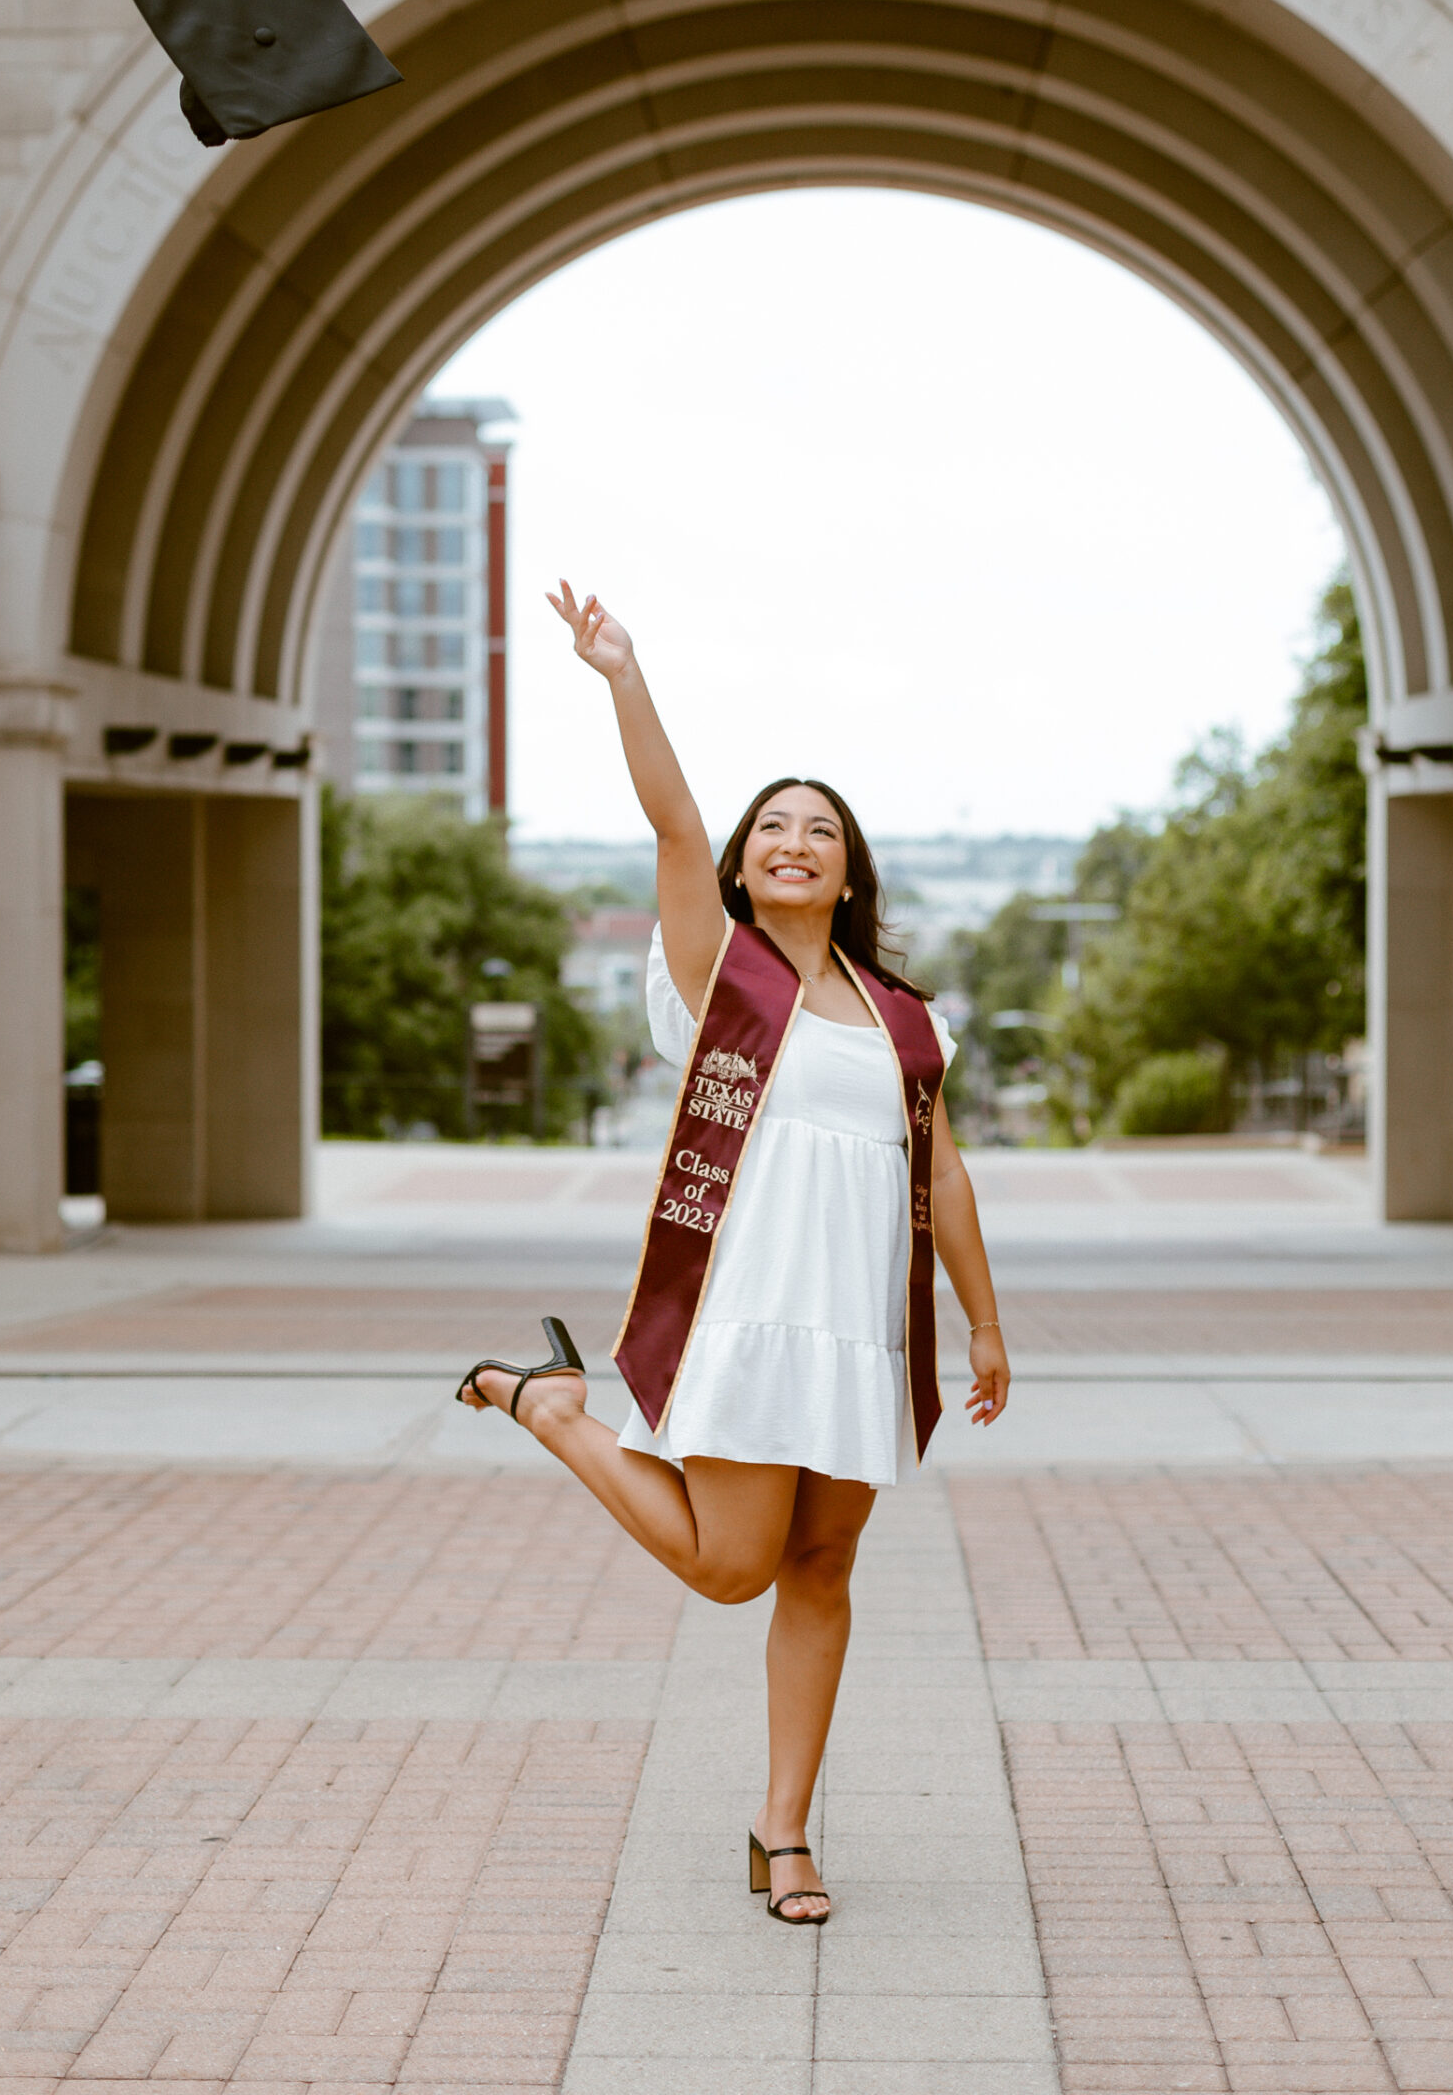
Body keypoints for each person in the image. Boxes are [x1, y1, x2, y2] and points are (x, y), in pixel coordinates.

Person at [458, 583, 1010, 1926]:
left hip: (861, 1338)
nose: (793, 842)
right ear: (749, 864)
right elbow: (673, 823)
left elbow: (937, 1170)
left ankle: (783, 1833)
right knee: (727, 1567)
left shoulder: (901, 1022)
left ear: (850, 868)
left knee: (822, 1572)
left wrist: (985, 1328)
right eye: (774, 827)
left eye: (820, 831)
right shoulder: (722, 981)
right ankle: (559, 1411)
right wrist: (621, 676)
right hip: (753, 1320)